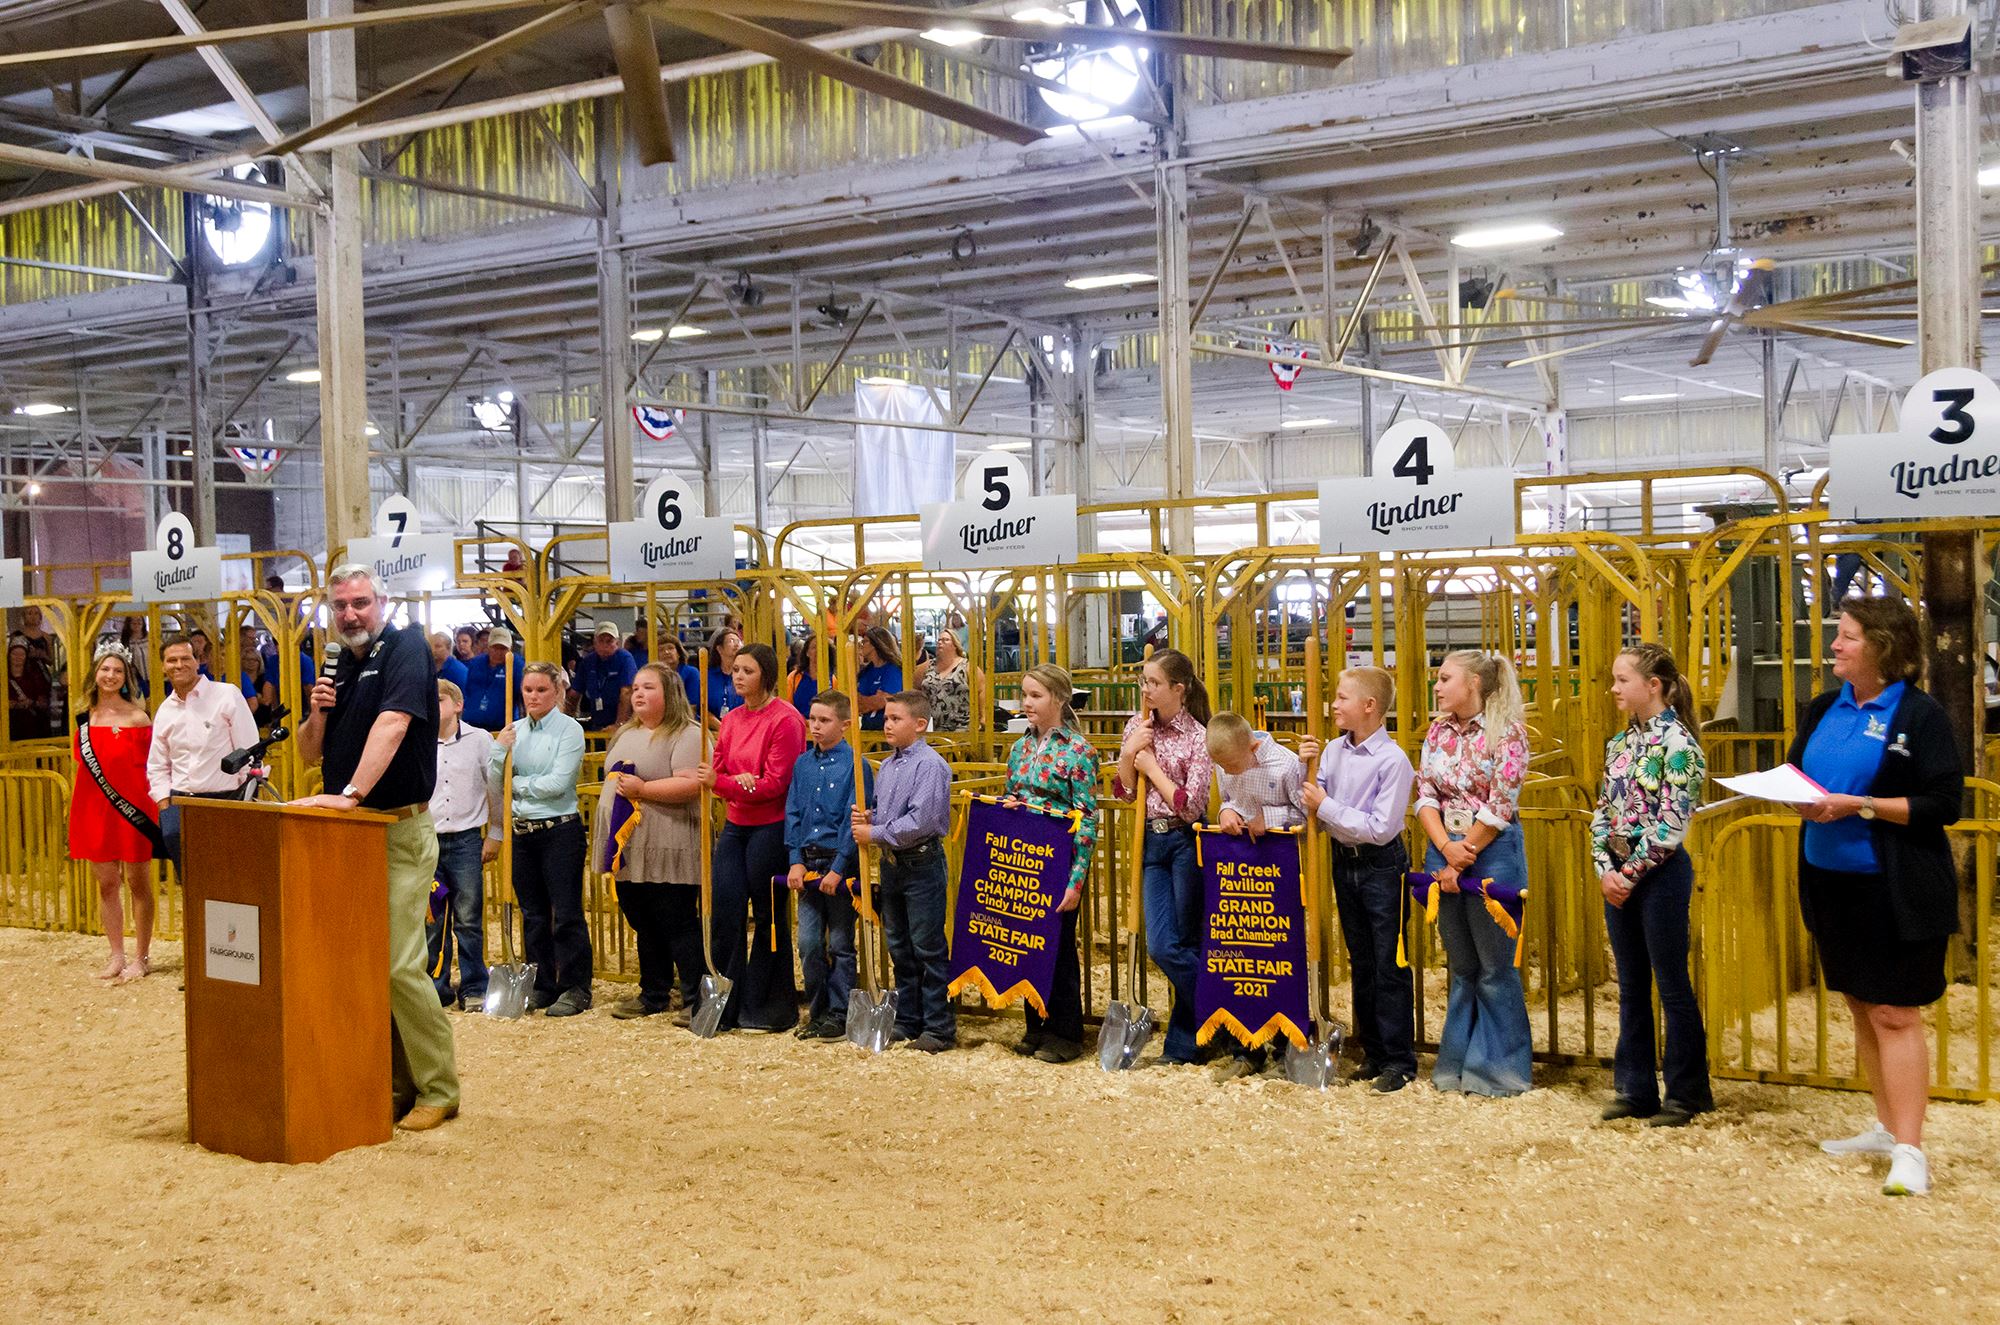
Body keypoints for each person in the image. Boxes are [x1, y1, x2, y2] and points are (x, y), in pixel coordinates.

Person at [1791, 597, 1964, 1197]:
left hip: (1895, 887)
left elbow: (1945, 804)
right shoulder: (1822, 709)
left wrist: (1859, 805)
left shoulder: (1920, 715)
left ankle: (1912, 1151)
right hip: (1829, 882)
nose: (1834, 646)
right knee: (1862, 1004)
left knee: (1895, 1012)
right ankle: (1888, 1128)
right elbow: (1798, 776)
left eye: (1847, 637)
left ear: (1883, 648)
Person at [293, 565, 459, 1132]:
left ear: (381, 602)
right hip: (352, 833)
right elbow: (309, 755)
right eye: (340, 606)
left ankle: (439, 1087)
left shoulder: (406, 645)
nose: (350, 614)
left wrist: (351, 794)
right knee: (365, 967)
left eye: (360, 603)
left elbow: (392, 724)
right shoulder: (340, 662)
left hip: (398, 828)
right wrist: (317, 710)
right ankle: (394, 1083)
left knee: (397, 965)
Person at [1592, 644, 1711, 1128]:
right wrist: (1604, 867)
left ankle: (1687, 1092)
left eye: (1623, 680)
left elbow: (1670, 824)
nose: (1614, 689)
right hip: (1619, 875)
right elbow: (1602, 810)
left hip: (1659, 875)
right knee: (1632, 984)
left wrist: (1628, 872)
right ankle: (1635, 1087)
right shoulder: (1619, 744)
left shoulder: (1680, 745)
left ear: (1653, 686)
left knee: (1672, 983)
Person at [1415, 649, 1533, 1098]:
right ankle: (1456, 1065)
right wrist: (1445, 848)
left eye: (1446, 679)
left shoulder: (1509, 734)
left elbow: (1501, 802)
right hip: (1444, 847)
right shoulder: (1437, 730)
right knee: (1462, 964)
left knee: (1494, 966)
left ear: (1474, 685)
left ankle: (1500, 1071)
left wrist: (1461, 852)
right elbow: (1424, 790)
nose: (1438, 686)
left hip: (1491, 850)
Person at [1300, 666, 1417, 1093]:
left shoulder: (1393, 760)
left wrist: (1326, 805)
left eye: (1342, 697)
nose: (1334, 704)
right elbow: (1309, 800)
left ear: (1370, 706)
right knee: (1362, 961)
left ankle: (1399, 1060)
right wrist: (1304, 767)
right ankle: (1373, 1053)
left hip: (1381, 864)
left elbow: (1382, 827)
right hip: (1343, 861)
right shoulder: (1331, 750)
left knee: (1389, 962)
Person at [1110, 649, 1213, 1066]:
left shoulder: (1200, 737)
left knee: (1182, 942)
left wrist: (1150, 766)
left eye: (1153, 683)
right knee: (1162, 945)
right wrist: (1127, 753)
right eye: (1143, 682)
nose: (1146, 690)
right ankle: (1222, 1007)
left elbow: (1190, 806)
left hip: (1186, 841)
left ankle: (1185, 1044)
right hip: (1151, 843)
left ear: (1178, 689)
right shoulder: (1138, 725)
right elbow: (1124, 792)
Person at [697, 642, 806, 1032]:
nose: (739, 677)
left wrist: (729, 784)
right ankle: (726, 1001)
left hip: (772, 826)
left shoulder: (786, 720)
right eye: (736, 670)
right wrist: (736, 784)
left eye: (748, 671)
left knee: (768, 913)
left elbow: (777, 783)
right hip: (736, 823)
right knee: (726, 907)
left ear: (767, 675)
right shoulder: (730, 720)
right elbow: (718, 769)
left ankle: (770, 1004)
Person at [592, 663, 705, 1020]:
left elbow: (691, 784)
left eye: (648, 688)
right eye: (636, 687)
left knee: (676, 919)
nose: (638, 693)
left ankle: (695, 997)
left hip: (669, 841)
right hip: (630, 845)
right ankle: (653, 992)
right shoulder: (627, 732)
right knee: (641, 917)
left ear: (669, 693)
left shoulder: (687, 733)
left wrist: (643, 790)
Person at [1003, 664, 1098, 1063]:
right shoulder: (1019, 747)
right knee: (1026, 942)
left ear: (1059, 699)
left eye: (1036, 696)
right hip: (1021, 859)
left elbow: (1087, 816)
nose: (1027, 703)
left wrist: (1076, 881)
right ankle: (1035, 1025)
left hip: (1060, 861)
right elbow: (1012, 794)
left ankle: (1067, 1032)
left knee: (1058, 947)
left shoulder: (1078, 751)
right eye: (1025, 695)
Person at [853, 690, 956, 1052]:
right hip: (894, 864)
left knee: (927, 946)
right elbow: (892, 813)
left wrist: (875, 832)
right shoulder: (891, 765)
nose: (888, 724)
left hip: (921, 862)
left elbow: (920, 821)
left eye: (896, 719)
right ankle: (909, 1019)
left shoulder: (929, 765)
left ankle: (939, 1027)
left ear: (920, 724)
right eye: (886, 718)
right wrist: (872, 819)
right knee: (899, 946)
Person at [491, 661, 591, 1017]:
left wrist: (514, 785)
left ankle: (576, 987)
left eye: (541, 690)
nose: (533, 696)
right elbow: (492, 777)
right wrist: (500, 751)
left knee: (565, 913)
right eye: (528, 690)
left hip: (559, 830)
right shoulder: (513, 730)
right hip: (523, 832)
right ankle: (541, 984)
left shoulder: (570, 731)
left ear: (558, 691)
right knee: (533, 914)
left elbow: (558, 784)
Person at [68, 643, 160, 983]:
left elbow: (150, 765)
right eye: (105, 669)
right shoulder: (83, 717)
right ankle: (116, 954)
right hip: (94, 807)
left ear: (126, 677)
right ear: (95, 674)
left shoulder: (138, 717)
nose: (110, 675)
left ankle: (142, 956)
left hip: (132, 808)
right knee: (107, 883)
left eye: (117, 670)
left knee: (138, 882)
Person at [784, 691, 867, 1039]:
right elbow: (794, 813)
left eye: (824, 720)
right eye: (812, 720)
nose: (815, 727)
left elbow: (856, 818)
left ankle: (840, 1013)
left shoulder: (856, 765)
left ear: (845, 725)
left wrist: (840, 866)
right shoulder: (802, 764)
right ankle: (817, 1011)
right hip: (809, 862)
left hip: (840, 865)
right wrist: (795, 861)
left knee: (841, 943)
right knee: (808, 943)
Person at [146, 635, 258, 870]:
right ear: (162, 666)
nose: (179, 665)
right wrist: (165, 806)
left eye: (185, 658)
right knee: (191, 885)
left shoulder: (227, 694)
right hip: (180, 805)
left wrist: (242, 800)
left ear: (198, 661)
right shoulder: (164, 710)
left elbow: (248, 751)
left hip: (226, 801)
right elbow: (157, 764)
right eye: (171, 660)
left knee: (229, 878)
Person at [428, 679, 500, 1010]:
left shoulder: (479, 739)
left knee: (468, 916)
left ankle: (474, 984)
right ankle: (435, 984)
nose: (432, 704)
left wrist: (496, 832)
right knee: (432, 918)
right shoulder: (418, 739)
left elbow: (495, 786)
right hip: (427, 840)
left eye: (440, 699)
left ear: (458, 705)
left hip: (466, 838)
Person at [574, 623, 637, 733]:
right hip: (597, 722)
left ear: (617, 643)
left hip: (623, 725)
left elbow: (626, 692)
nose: (604, 645)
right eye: (601, 641)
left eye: (609, 641)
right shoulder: (588, 661)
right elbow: (574, 693)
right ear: (594, 642)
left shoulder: (625, 659)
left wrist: (619, 725)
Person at [915, 629, 975, 733]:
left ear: (955, 645)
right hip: (931, 726)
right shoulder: (926, 667)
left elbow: (981, 691)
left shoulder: (967, 667)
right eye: (939, 640)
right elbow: (914, 688)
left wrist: (981, 718)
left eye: (945, 640)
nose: (940, 643)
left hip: (961, 727)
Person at [462, 627, 519, 731]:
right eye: (495, 647)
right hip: (473, 725)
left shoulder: (517, 665)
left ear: (510, 649)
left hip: (501, 727)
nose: (498, 652)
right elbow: (468, 691)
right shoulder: (475, 663)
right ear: (488, 647)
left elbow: (522, 696)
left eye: (503, 648)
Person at [855, 627, 902, 733]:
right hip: (866, 729)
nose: (861, 645)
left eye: (865, 641)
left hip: (888, 730)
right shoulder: (866, 671)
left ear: (876, 644)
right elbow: (856, 702)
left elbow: (883, 701)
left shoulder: (893, 670)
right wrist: (871, 700)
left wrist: (868, 700)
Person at [7, 639, 54, 740]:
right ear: (9, 656)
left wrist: (31, 703)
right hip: (9, 724)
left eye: (22, 654)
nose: (18, 657)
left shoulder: (35, 677)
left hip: (33, 724)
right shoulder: (3, 677)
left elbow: (44, 702)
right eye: (15, 654)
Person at [704, 627, 744, 720]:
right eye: (731, 641)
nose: (737, 644)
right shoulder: (707, 676)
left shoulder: (745, 675)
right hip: (715, 728)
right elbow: (702, 709)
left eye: (739, 641)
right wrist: (722, 727)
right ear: (720, 649)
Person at [656, 637, 700, 711]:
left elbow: (692, 706)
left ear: (679, 653)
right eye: (661, 650)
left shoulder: (691, 672)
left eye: (670, 648)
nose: (666, 652)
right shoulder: (654, 674)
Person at [786, 634, 820, 718]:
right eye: (814, 647)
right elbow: (787, 707)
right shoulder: (794, 677)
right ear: (807, 652)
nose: (818, 650)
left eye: (822, 647)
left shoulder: (832, 679)